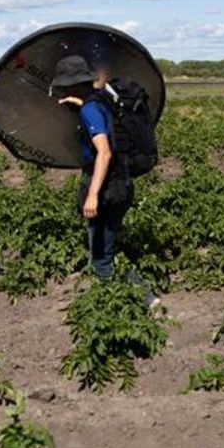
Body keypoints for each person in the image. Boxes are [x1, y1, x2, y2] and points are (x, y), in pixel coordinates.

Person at [50, 55, 158, 308]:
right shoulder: (101, 98)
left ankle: (143, 299)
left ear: (73, 85)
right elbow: (101, 116)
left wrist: (93, 194)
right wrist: (79, 103)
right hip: (121, 180)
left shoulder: (90, 109)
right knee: (102, 249)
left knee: (101, 257)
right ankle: (116, 297)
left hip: (108, 186)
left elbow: (104, 151)